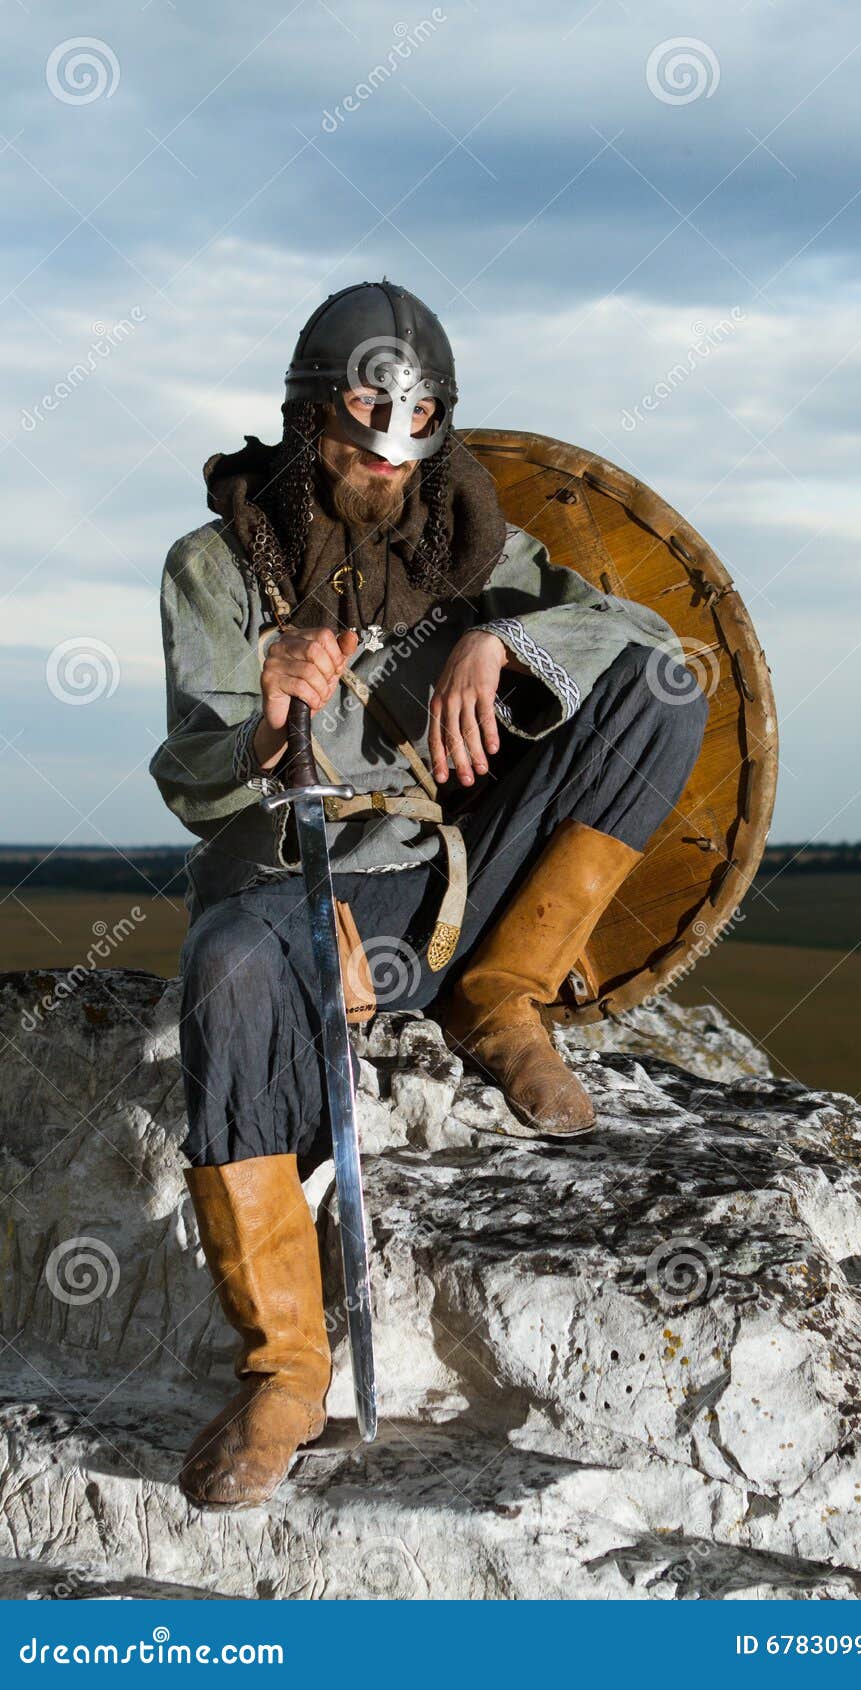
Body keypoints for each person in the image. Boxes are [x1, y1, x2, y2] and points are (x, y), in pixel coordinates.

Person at [150, 279, 707, 1508]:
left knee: (660, 683)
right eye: (358, 448)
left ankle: (502, 995)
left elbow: (622, 625)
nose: (381, 473)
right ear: (310, 425)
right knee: (229, 970)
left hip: (461, 882)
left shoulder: (467, 540)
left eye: (404, 452)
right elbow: (190, 775)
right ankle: (286, 1370)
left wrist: (506, 641)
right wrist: (267, 712)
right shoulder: (211, 569)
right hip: (310, 897)